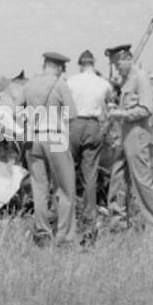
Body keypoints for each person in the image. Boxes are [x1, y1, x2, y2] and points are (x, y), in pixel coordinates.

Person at [19, 53, 78, 246]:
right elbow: (72, 114)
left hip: (34, 138)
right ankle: (65, 236)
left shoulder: (29, 85)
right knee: (65, 189)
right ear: (59, 67)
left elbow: (15, 111)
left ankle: (42, 233)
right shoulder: (59, 84)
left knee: (39, 188)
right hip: (56, 138)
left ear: (44, 64)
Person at [106, 46, 153, 231]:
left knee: (141, 181)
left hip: (137, 134)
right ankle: (118, 223)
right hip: (124, 135)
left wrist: (121, 114)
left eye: (117, 64)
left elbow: (146, 109)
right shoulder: (126, 80)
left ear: (127, 58)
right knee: (117, 178)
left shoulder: (140, 78)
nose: (116, 68)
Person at [65, 50, 111, 232]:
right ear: (94, 64)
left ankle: (67, 214)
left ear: (79, 64)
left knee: (68, 170)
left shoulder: (70, 82)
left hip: (74, 125)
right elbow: (108, 105)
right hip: (94, 126)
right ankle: (89, 218)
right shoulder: (103, 84)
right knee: (90, 174)